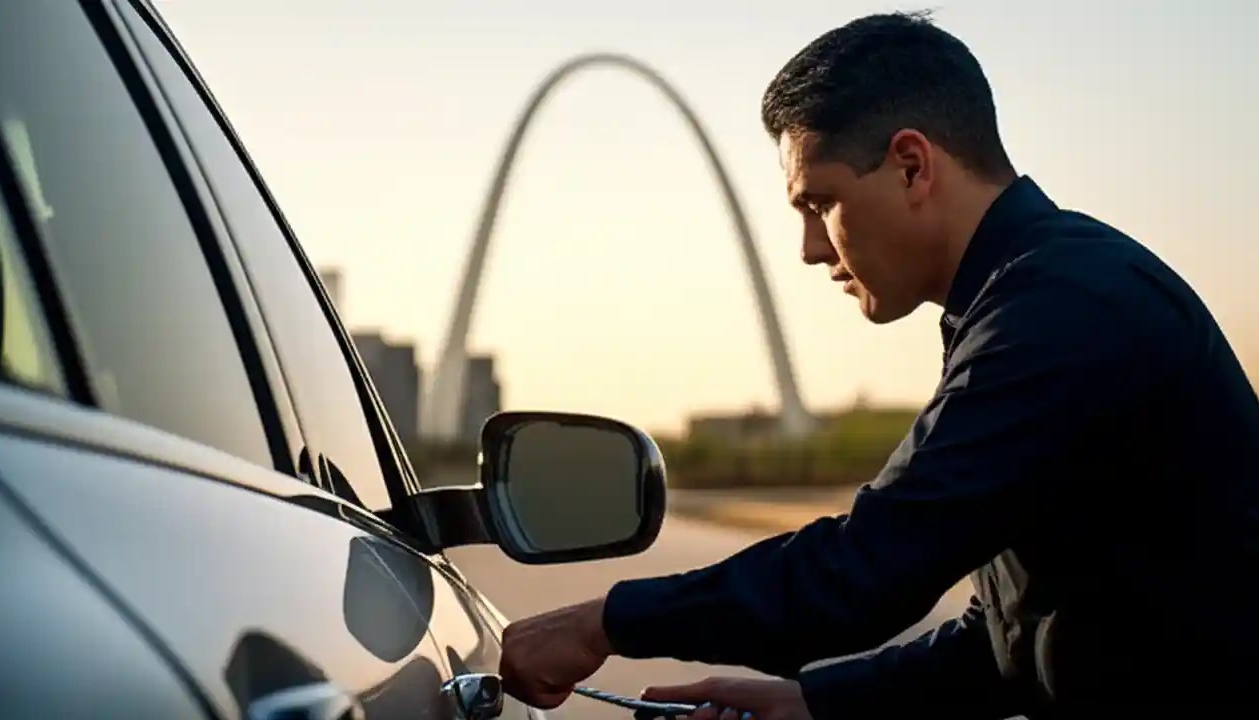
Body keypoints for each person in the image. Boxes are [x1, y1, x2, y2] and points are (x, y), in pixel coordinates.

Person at [499, 11, 1259, 719]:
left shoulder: (1060, 313)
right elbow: (1013, 637)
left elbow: (864, 571)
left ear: (910, 166)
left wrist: (606, 621)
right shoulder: (1031, 298)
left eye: (817, 203)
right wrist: (809, 703)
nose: (810, 249)